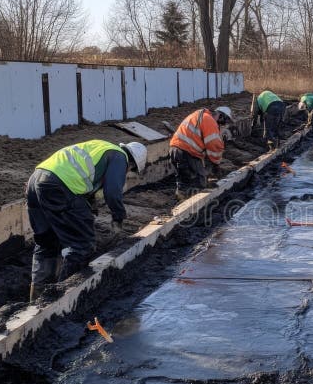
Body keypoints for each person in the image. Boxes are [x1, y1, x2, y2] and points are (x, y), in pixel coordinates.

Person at [26, 139, 147, 302]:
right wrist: (118, 217)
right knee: (82, 245)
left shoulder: (101, 147)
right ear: (131, 163)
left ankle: (37, 297)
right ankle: (63, 297)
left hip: (35, 181)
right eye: (130, 170)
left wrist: (90, 208)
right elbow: (112, 192)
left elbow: (85, 181)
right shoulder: (120, 158)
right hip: (59, 185)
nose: (127, 173)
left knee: (46, 242)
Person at [170, 106, 233, 200]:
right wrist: (216, 163)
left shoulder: (200, 115)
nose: (222, 124)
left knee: (183, 179)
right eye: (224, 121)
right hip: (186, 151)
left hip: (175, 149)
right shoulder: (209, 120)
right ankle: (194, 207)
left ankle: (181, 199)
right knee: (199, 182)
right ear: (220, 116)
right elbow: (214, 145)